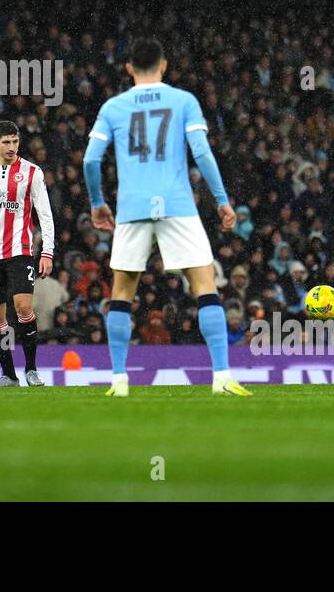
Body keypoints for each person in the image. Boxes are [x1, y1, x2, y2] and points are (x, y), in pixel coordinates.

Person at [83, 37, 250, 398]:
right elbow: (202, 153)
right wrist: (221, 200)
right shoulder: (183, 100)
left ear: (128, 68)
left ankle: (119, 381)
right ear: (164, 66)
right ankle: (221, 377)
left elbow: (90, 160)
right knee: (205, 287)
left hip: (132, 208)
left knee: (122, 295)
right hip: (177, 204)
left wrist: (98, 201)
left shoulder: (113, 107)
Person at [0, 120, 54, 387]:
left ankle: (31, 369)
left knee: (24, 307)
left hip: (21, 251)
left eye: (15, 141)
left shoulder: (32, 172)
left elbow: (45, 215)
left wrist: (47, 251)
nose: (11, 147)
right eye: (6, 142)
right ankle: (9, 375)